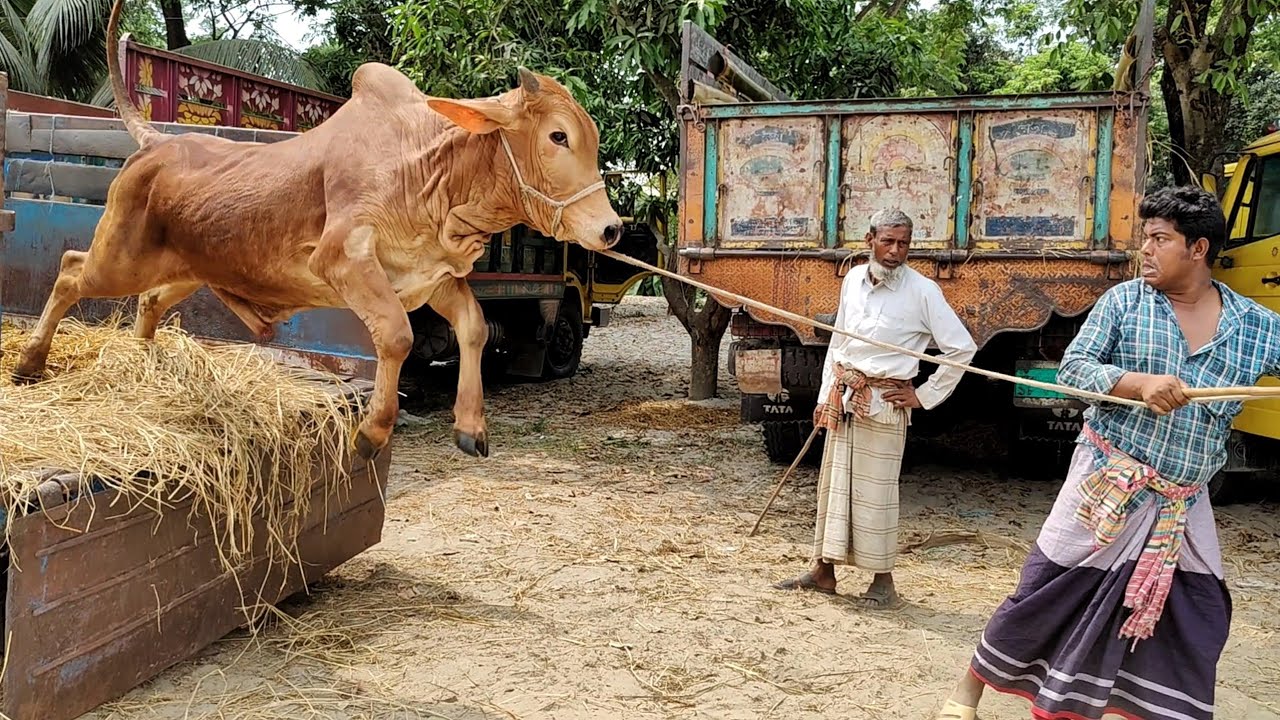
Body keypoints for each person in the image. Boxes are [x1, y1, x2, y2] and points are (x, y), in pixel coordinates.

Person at [935, 184, 1280, 720]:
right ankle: (967, 691)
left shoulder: (1257, 328)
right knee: (1045, 589)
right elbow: (1075, 370)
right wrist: (1136, 384)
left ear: (1198, 249)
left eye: (1160, 239)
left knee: (1198, 608)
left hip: (1181, 501)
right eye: (1146, 237)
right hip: (1105, 480)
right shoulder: (1124, 302)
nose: (1145, 249)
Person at [772, 208, 977, 608]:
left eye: (903, 244)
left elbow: (961, 348)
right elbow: (839, 343)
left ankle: (883, 583)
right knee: (834, 488)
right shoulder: (852, 280)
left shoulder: (923, 291)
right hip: (845, 398)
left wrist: (924, 395)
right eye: (888, 242)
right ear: (870, 241)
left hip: (884, 405)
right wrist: (824, 397)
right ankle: (823, 572)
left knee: (876, 495)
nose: (895, 251)